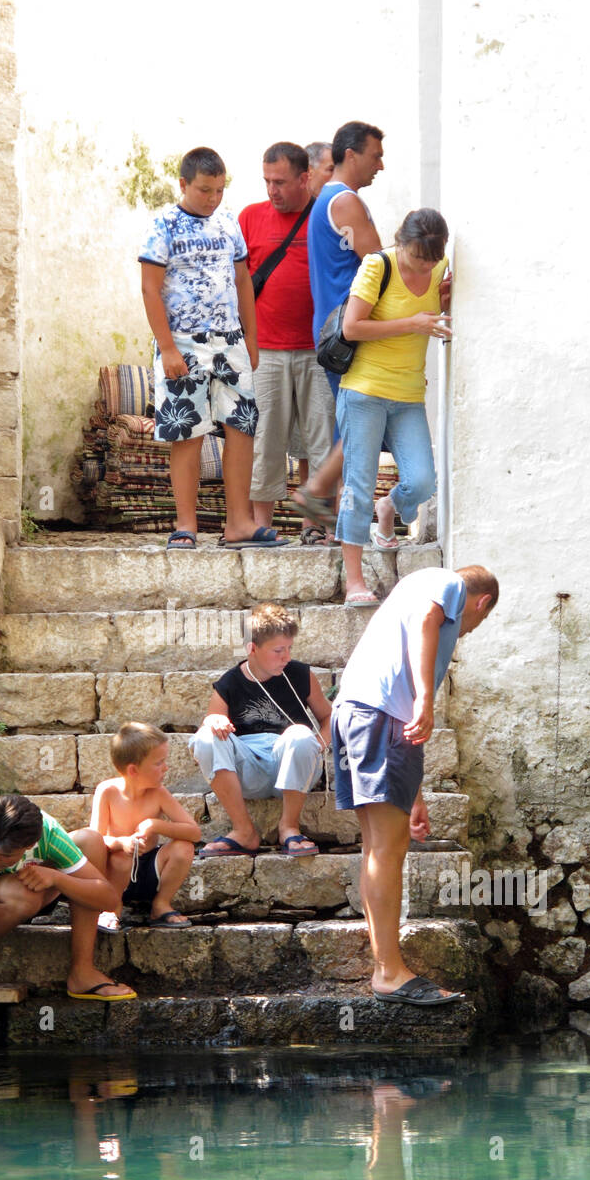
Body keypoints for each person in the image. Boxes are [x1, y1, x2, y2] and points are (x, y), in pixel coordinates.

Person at [332, 565, 498, 1005]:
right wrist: (428, 698)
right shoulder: (450, 585)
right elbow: (427, 622)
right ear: (481, 604)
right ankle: (389, 972)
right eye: (473, 625)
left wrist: (416, 792)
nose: (463, 633)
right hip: (380, 716)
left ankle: (385, 967)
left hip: (356, 711)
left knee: (376, 848)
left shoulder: (409, 587)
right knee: (387, 851)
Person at [139, 147, 288, 551]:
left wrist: (251, 338)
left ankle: (239, 523)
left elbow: (242, 282)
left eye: (220, 190)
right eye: (205, 190)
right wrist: (167, 347)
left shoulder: (228, 224)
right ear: (184, 184)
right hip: (183, 345)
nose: (213, 198)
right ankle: (185, 525)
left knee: (241, 427)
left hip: (231, 343)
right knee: (187, 432)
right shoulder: (163, 226)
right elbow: (150, 289)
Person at [0, 795, 133, 1056]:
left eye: (5, 855)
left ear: (30, 845)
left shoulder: (47, 833)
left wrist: (57, 878)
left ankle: (82, 971)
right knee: (24, 895)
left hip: (25, 883)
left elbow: (108, 898)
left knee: (91, 840)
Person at [335, 209, 450, 606]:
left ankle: (390, 509)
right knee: (358, 485)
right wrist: (411, 324)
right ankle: (354, 581)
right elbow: (352, 327)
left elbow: (446, 292)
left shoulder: (440, 268)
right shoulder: (376, 265)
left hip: (408, 395)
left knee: (422, 481)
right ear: (401, 242)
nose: (424, 266)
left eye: (432, 260)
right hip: (364, 392)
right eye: (418, 257)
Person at [238, 143, 335, 543]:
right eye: (266, 181)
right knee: (267, 440)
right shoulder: (250, 217)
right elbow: (237, 281)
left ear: (304, 178)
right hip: (267, 350)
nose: (271, 190)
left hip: (318, 351)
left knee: (320, 439)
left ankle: (314, 527)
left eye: (279, 182)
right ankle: (262, 525)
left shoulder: (326, 217)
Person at [294, 120, 386, 538]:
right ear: (351, 155)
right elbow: (381, 268)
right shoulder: (346, 203)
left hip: (333, 328)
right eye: (375, 155)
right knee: (363, 420)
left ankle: (331, 518)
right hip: (349, 331)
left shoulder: (325, 200)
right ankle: (317, 492)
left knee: (353, 419)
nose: (380, 166)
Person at [190, 603, 331, 856]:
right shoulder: (229, 683)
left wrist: (316, 746)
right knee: (205, 737)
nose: (286, 657)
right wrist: (214, 721)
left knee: (300, 734)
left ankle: (289, 826)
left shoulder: (300, 674)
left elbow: (329, 717)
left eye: (289, 648)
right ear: (252, 649)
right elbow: (212, 730)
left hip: (293, 763)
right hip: (249, 769)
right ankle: (244, 831)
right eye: (278, 650)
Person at [87, 722, 201, 930]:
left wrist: (156, 825)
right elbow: (96, 839)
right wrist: (121, 843)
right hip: (116, 873)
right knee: (121, 858)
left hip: (151, 870)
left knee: (184, 847)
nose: (166, 767)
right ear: (133, 770)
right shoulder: (107, 791)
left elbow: (193, 832)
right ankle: (112, 908)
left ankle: (161, 904)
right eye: (159, 763)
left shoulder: (159, 793)